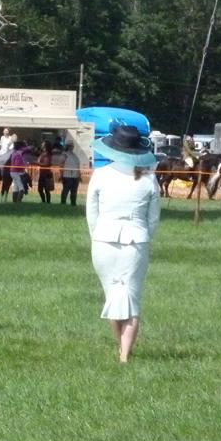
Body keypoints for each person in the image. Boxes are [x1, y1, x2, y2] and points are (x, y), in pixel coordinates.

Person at [85, 125, 161, 364]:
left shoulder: (100, 175)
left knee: (113, 296)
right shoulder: (149, 179)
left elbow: (92, 214)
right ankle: (125, 354)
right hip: (136, 242)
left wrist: (97, 236)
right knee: (131, 298)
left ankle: (121, 348)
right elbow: (153, 219)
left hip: (103, 242)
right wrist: (143, 236)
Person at [58, 141, 82, 206]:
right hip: (67, 176)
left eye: (72, 146)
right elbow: (61, 165)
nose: (72, 147)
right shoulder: (64, 155)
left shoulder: (75, 155)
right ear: (67, 146)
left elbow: (77, 166)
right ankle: (63, 203)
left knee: (74, 191)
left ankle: (73, 203)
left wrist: (79, 175)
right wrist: (61, 175)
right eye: (70, 145)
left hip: (75, 176)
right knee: (65, 190)